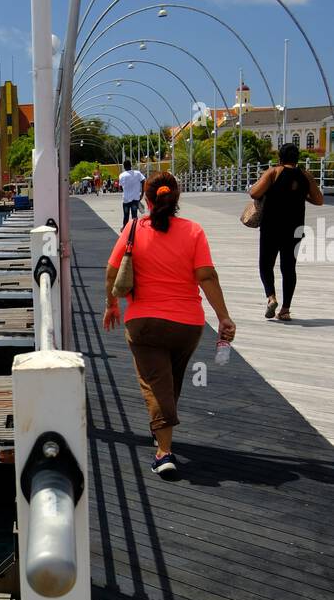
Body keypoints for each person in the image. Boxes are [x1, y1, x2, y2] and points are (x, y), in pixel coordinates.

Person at [103, 172, 236, 477]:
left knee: (156, 384)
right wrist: (223, 316)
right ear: (177, 197)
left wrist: (111, 305)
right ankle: (160, 429)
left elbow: (111, 273)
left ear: (146, 199)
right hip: (187, 325)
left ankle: (164, 452)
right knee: (170, 381)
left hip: (144, 323)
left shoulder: (133, 228)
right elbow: (206, 276)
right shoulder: (194, 231)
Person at [249, 144, 324, 321]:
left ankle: (271, 297)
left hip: (271, 227)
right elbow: (319, 200)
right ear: (297, 158)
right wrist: (302, 195)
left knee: (266, 265)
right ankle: (285, 310)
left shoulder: (274, 172)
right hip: (295, 229)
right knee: (289, 268)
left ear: (280, 157)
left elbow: (254, 193)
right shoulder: (305, 175)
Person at [119, 159, 145, 226]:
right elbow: (143, 181)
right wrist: (142, 194)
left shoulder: (121, 175)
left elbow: (120, 187)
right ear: (131, 165)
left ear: (124, 167)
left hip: (126, 199)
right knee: (134, 217)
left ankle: (125, 228)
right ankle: (134, 229)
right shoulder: (137, 173)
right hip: (135, 199)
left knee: (126, 216)